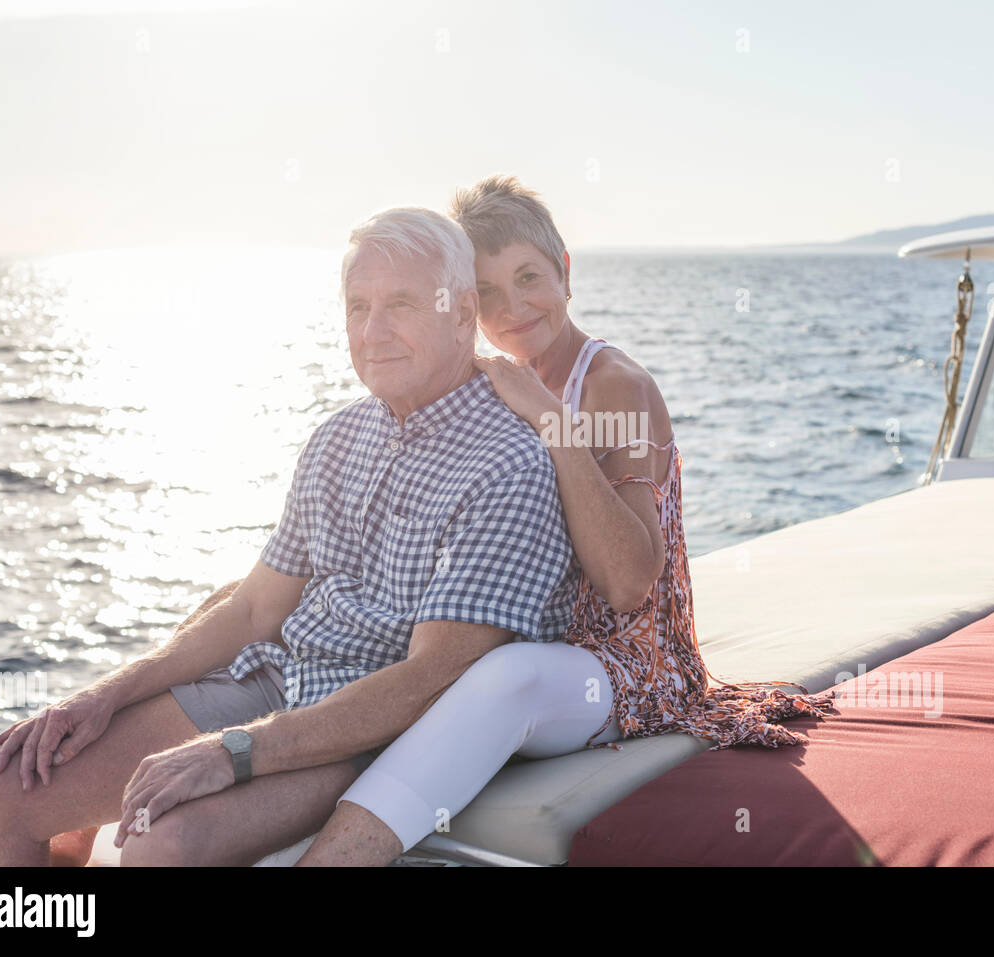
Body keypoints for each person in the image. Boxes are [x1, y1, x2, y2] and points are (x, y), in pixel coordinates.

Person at [0, 207, 583, 866]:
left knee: (162, 839)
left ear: (461, 314)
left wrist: (238, 751)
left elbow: (426, 680)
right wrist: (105, 694)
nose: (373, 330)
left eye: (401, 304)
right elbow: (255, 607)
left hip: (366, 732)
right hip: (275, 681)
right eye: (358, 306)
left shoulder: (508, 462)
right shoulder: (339, 437)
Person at [297, 176, 835, 866]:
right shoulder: (482, 385)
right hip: (522, 637)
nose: (513, 306)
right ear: (462, 308)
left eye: (529, 277)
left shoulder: (614, 385)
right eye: (488, 293)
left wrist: (552, 422)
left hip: (626, 666)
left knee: (505, 677)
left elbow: (628, 581)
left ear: (566, 273)